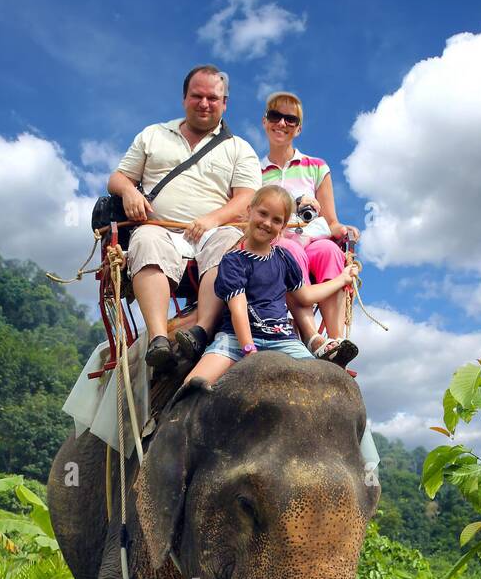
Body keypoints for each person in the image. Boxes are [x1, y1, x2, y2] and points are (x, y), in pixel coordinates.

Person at [106, 66, 262, 372]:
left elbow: (246, 198)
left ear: (224, 103)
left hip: (213, 232)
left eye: (213, 98)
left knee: (230, 245)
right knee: (146, 240)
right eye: (197, 96)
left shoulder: (239, 148)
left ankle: (200, 330)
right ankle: (159, 339)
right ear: (184, 99)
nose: (204, 103)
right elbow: (118, 177)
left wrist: (212, 219)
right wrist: (129, 192)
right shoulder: (153, 134)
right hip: (159, 228)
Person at [182, 185, 357, 387]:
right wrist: (249, 350)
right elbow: (238, 309)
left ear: (283, 227)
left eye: (276, 220)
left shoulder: (285, 258)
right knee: (192, 385)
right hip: (235, 341)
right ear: (250, 211)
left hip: (282, 340)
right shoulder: (233, 260)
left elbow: (305, 296)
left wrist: (342, 279)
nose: (267, 223)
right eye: (263, 214)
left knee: (322, 385)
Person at [261, 91, 362, 364]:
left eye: (290, 119)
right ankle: (310, 334)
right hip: (278, 242)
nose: (281, 123)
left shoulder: (316, 166)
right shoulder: (255, 173)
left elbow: (331, 220)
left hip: (314, 239)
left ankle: (336, 338)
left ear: (299, 128)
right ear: (265, 121)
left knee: (330, 250)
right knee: (288, 249)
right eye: (275, 116)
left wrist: (343, 230)